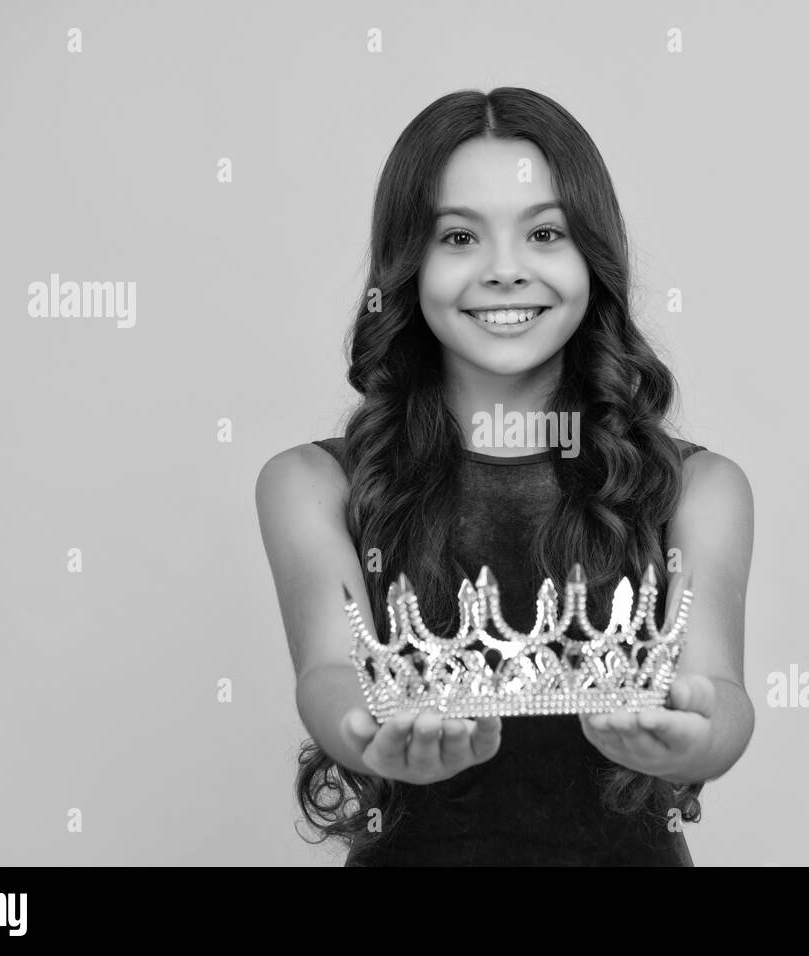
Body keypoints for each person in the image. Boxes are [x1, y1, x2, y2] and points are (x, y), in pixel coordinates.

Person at [256, 87, 755, 866]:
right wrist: (368, 734)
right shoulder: (310, 485)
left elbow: (721, 696)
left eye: (545, 232)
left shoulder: (701, 490)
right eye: (459, 236)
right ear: (408, 265)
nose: (504, 271)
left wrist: (693, 733)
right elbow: (327, 668)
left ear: (592, 256)